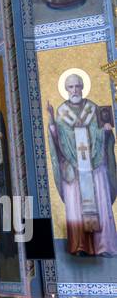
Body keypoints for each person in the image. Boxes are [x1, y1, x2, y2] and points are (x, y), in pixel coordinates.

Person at [47, 73, 117, 256]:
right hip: (73, 167)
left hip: (95, 165)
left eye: (78, 86)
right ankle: (80, 245)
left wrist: (106, 132)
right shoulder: (62, 112)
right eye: (71, 87)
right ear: (66, 89)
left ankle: (103, 245)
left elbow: (103, 133)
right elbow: (58, 139)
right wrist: (51, 122)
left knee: (100, 202)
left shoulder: (93, 108)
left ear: (83, 87)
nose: (74, 90)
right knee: (76, 207)